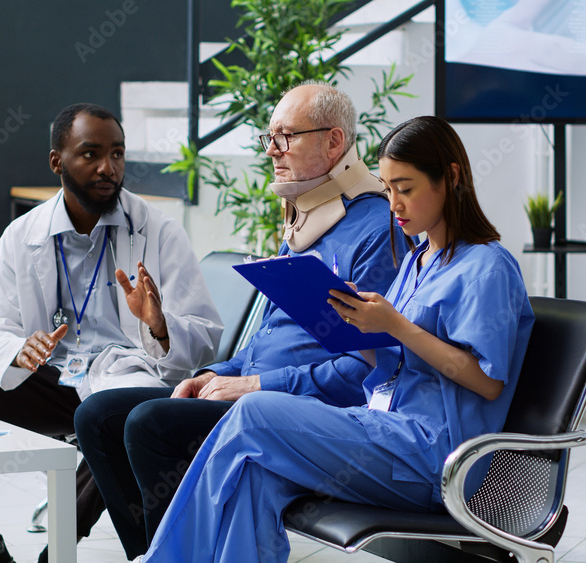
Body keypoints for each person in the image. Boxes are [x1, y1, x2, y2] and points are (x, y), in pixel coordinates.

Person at [141, 115, 536, 563]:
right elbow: (395, 362)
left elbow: (487, 382)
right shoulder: (419, 261)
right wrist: (351, 327)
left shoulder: (487, 266)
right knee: (256, 474)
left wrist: (396, 326)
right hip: (386, 432)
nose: (394, 205)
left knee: (254, 413)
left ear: (451, 177)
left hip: (436, 458)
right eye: (387, 189)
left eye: (405, 189)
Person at [74, 82, 403, 561]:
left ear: (335, 142)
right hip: (259, 389)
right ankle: (153, 554)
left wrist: (255, 385)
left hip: (303, 411)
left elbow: (366, 370)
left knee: (150, 424)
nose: (272, 150)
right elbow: (264, 341)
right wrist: (220, 375)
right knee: (98, 416)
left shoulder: (376, 231)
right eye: (269, 136)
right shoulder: (310, 218)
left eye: (286, 136)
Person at [0, 103, 223, 563]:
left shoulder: (158, 231)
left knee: (107, 415)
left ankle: (58, 546)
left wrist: (159, 324)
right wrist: (19, 349)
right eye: (91, 154)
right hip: (50, 376)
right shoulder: (23, 235)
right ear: (57, 161)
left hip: (125, 374)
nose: (108, 167)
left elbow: (204, 336)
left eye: (117, 154)